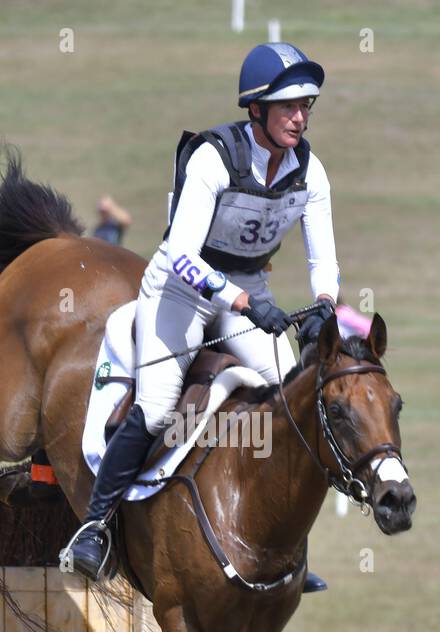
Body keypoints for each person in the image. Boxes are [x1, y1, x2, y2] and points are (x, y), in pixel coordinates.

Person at [58, 42, 340, 590]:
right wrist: (240, 303)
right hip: (180, 288)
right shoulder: (214, 157)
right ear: (255, 108)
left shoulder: (312, 172)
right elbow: (183, 255)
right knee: (161, 406)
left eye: (306, 105)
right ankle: (94, 527)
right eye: (288, 106)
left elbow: (321, 258)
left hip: (249, 285)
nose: (300, 117)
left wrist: (323, 307)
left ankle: (286, 548)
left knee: (293, 401)